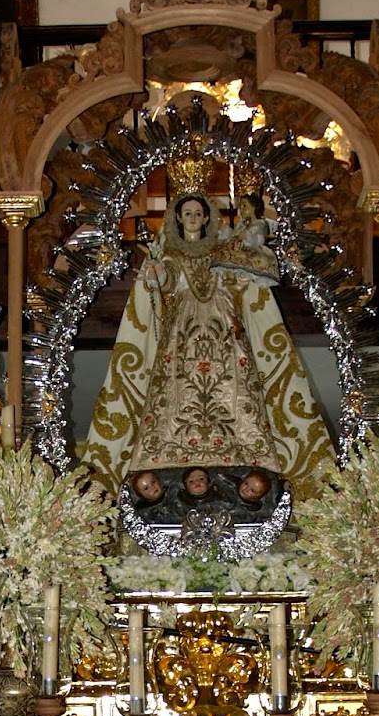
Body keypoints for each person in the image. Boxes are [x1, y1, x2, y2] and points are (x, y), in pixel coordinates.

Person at [84, 178, 335, 500]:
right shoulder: (170, 253)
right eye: (186, 212)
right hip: (183, 334)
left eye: (197, 213)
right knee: (176, 389)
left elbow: (248, 276)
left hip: (224, 330)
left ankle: (247, 456)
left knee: (235, 386)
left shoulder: (222, 250)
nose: (191, 217)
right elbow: (166, 281)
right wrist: (154, 275)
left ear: (206, 218)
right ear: (178, 217)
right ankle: (166, 458)